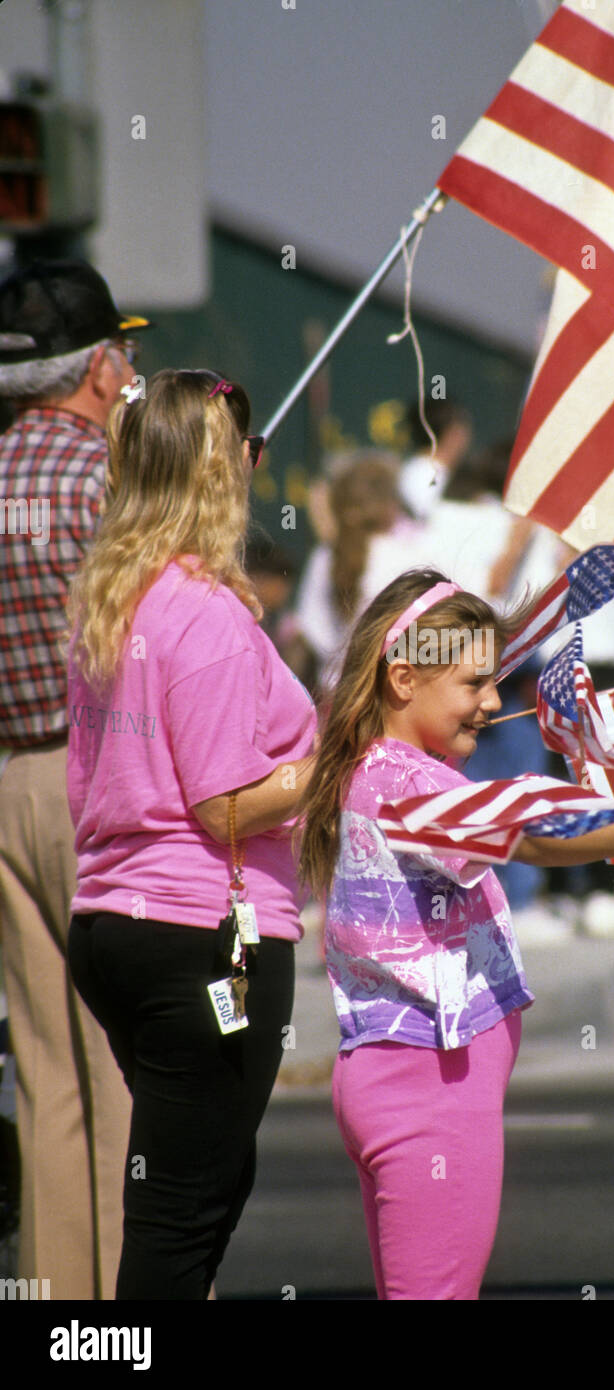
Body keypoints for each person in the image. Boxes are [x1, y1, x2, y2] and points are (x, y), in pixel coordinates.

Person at [297, 568, 614, 1300]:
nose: (492, 702)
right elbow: (524, 831)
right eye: (474, 683)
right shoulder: (409, 786)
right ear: (404, 679)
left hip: (399, 1078)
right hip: (432, 1086)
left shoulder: (380, 770)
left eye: (497, 681)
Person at [64, 369, 317, 1300]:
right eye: (248, 451)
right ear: (221, 470)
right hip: (201, 931)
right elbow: (222, 806)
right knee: (181, 1213)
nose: (261, 464)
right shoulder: (203, 617)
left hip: (115, 925)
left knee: (201, 1183)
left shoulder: (113, 599)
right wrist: (328, 766)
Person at [0, 258, 149, 1298]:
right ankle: (134, 1310)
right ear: (98, 367)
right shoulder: (107, 476)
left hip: (5, 784)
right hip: (103, 782)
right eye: (125, 350)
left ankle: (61, 1313)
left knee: (44, 1066)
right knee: (127, 1066)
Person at [295, 449, 423, 688]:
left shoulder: (323, 556)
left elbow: (311, 631)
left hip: (334, 701)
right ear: (390, 504)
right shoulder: (408, 557)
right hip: (389, 701)